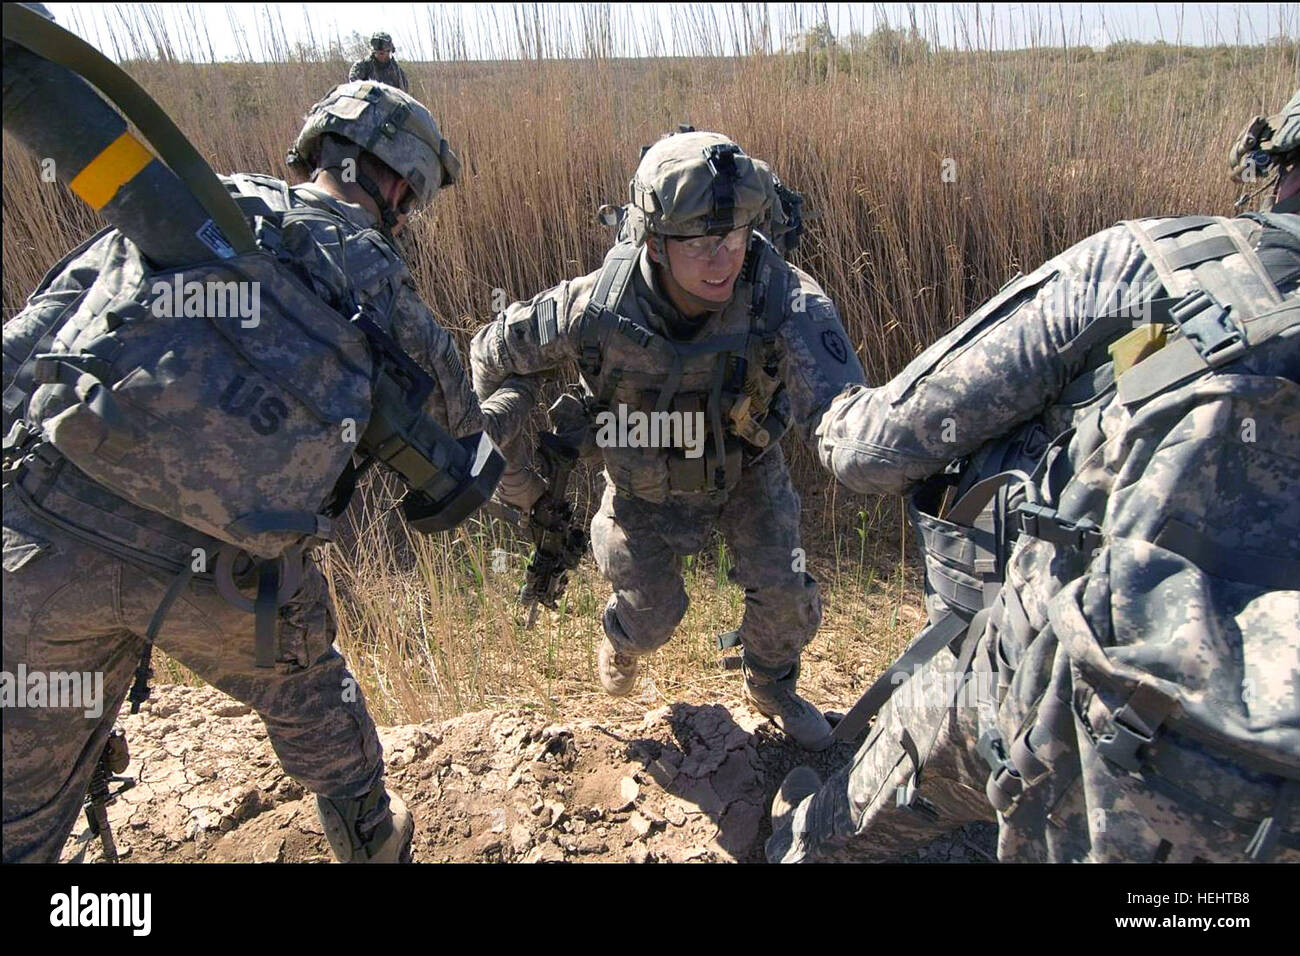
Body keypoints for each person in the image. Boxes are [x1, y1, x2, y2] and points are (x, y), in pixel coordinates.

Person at [768, 90, 1300, 862]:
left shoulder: (1152, 270)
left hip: (1060, 698)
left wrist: (833, 408)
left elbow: (879, 448)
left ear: (1277, 167)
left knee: (845, 822)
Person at [2, 80, 477, 863]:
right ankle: (367, 832)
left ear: (318, 148)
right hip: (232, 582)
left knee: (18, 802)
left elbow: (38, 331)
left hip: (51, 532)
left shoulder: (190, 200)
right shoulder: (380, 281)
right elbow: (457, 425)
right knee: (308, 688)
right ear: (398, 185)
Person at [469, 130, 866, 750]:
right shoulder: (594, 309)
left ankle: (772, 686)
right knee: (652, 617)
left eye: (735, 237)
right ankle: (623, 638)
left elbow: (845, 406)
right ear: (654, 243)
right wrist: (518, 477)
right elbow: (491, 352)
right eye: (703, 242)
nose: (725, 258)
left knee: (786, 597)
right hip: (643, 484)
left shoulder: (778, 293)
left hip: (745, 472)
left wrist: (879, 445)